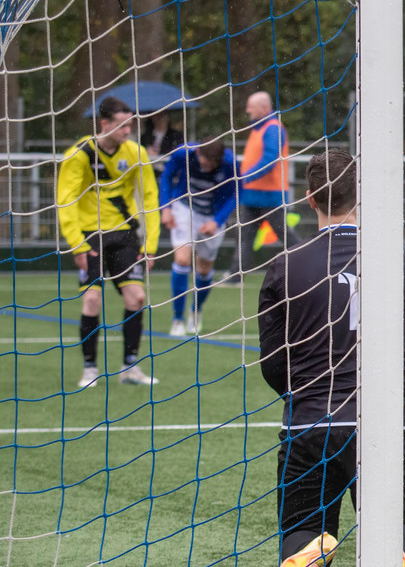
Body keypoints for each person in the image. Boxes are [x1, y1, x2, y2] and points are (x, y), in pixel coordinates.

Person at [258, 149, 405, 567]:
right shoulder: (402, 259)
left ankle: (311, 547)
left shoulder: (284, 265)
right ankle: (393, 551)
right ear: (365, 195)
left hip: (310, 424)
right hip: (381, 424)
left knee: (298, 536)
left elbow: (274, 363)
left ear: (310, 199)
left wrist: (305, 398)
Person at [56, 97, 161, 388]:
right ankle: (90, 368)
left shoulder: (136, 153)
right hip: (90, 238)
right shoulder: (79, 154)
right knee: (92, 299)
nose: (128, 131)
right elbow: (65, 202)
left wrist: (150, 246)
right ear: (105, 124)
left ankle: (130, 366)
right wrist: (77, 245)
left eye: (131, 125)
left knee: (137, 298)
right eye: (122, 125)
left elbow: (150, 199)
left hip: (125, 236)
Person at [158, 138, 239, 335]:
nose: (205, 166)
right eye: (203, 160)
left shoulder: (230, 163)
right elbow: (167, 176)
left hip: (212, 215)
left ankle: (195, 310)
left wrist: (217, 221)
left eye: (210, 164)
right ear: (198, 153)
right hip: (185, 208)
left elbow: (235, 194)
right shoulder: (183, 153)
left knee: (203, 269)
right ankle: (177, 318)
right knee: (182, 259)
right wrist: (166, 207)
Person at [224, 91, 298, 282]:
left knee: (285, 237)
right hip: (253, 195)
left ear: (264, 108)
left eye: (251, 106)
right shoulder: (260, 128)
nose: (248, 110)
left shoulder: (273, 128)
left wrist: (245, 177)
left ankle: (311, 263)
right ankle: (234, 277)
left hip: (270, 195)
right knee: (245, 237)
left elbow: (269, 159)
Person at [139, 110, 185, 179]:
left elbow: (178, 152)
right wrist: (146, 152)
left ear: (167, 117)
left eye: (162, 116)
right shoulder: (145, 136)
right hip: (149, 172)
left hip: (169, 172)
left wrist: (158, 156)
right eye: (156, 116)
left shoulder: (176, 136)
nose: (159, 119)